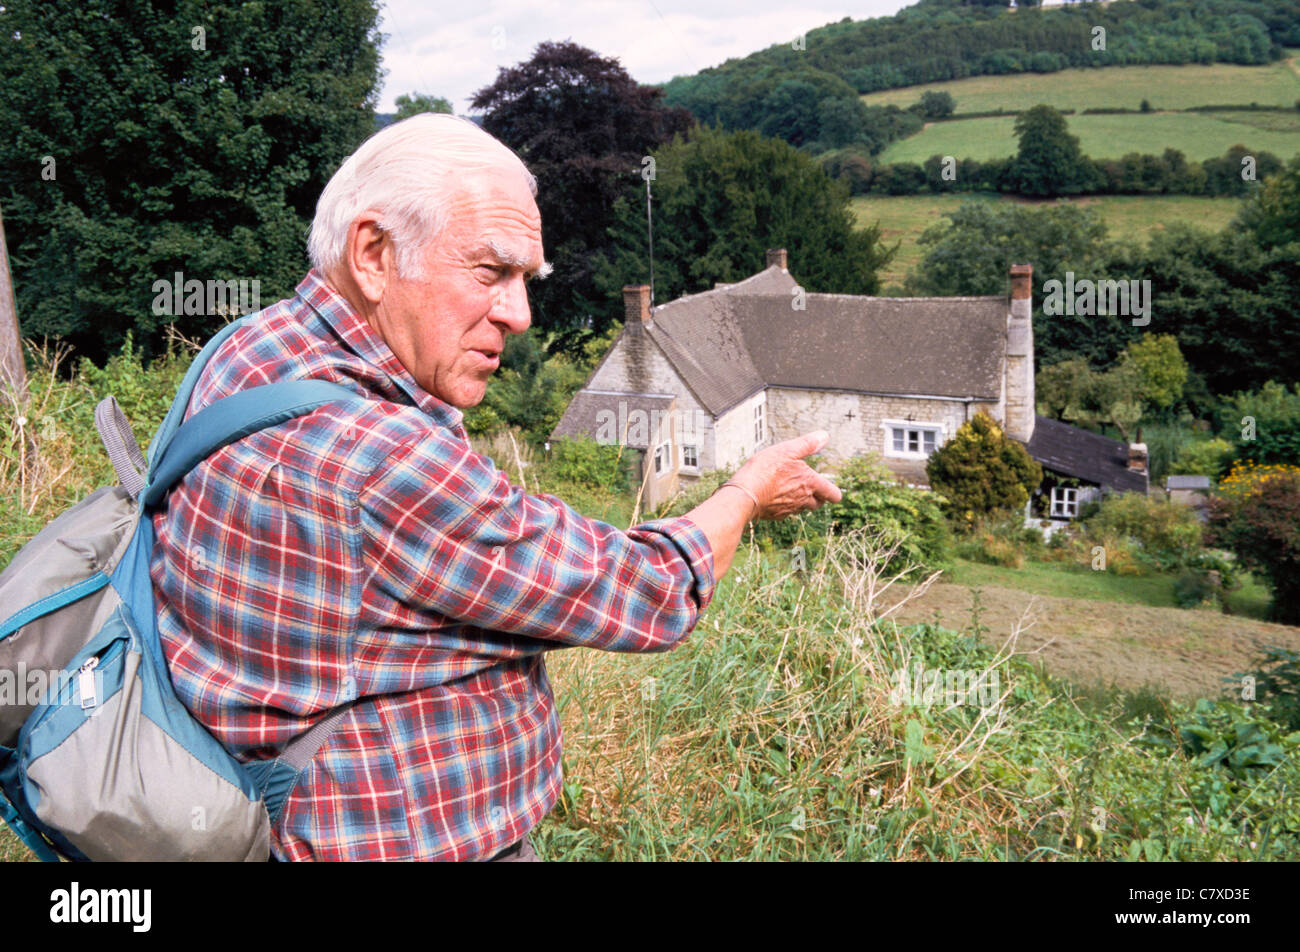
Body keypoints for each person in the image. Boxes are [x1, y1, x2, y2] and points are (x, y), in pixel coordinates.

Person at [149, 113, 841, 862]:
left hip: (266, 803)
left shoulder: (250, 349)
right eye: (490, 272)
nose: (519, 314)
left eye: (525, 280)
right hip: (395, 839)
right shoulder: (382, 461)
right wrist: (746, 492)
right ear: (374, 253)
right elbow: (646, 590)